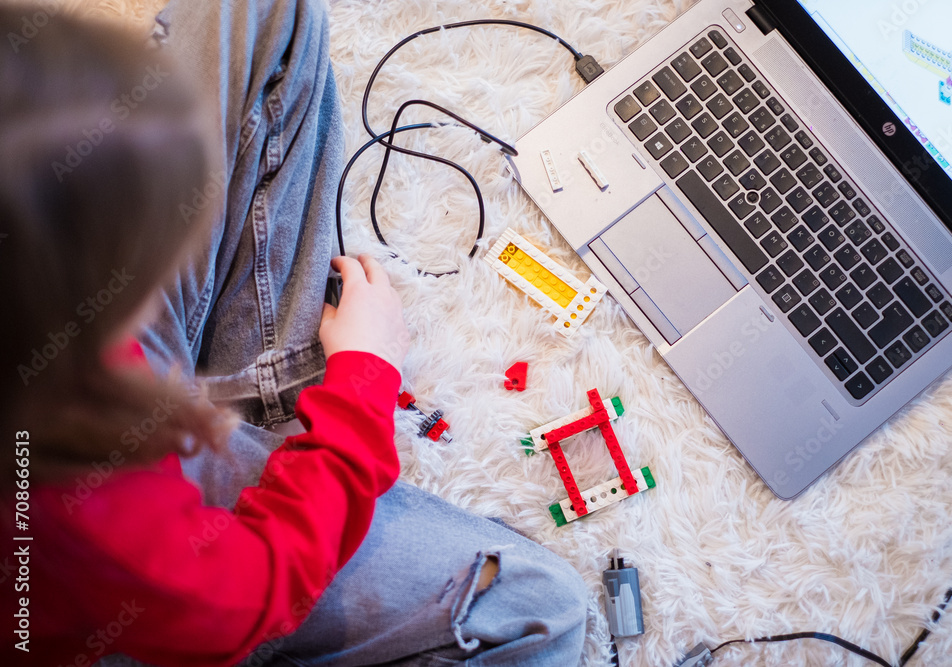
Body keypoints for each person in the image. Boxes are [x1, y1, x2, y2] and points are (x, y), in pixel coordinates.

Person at [0, 1, 589, 665]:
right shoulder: (82, 523)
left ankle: (256, 399)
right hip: (168, 561)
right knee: (545, 609)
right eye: (149, 261)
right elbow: (250, 593)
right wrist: (364, 379)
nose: (187, 244)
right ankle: (265, 414)